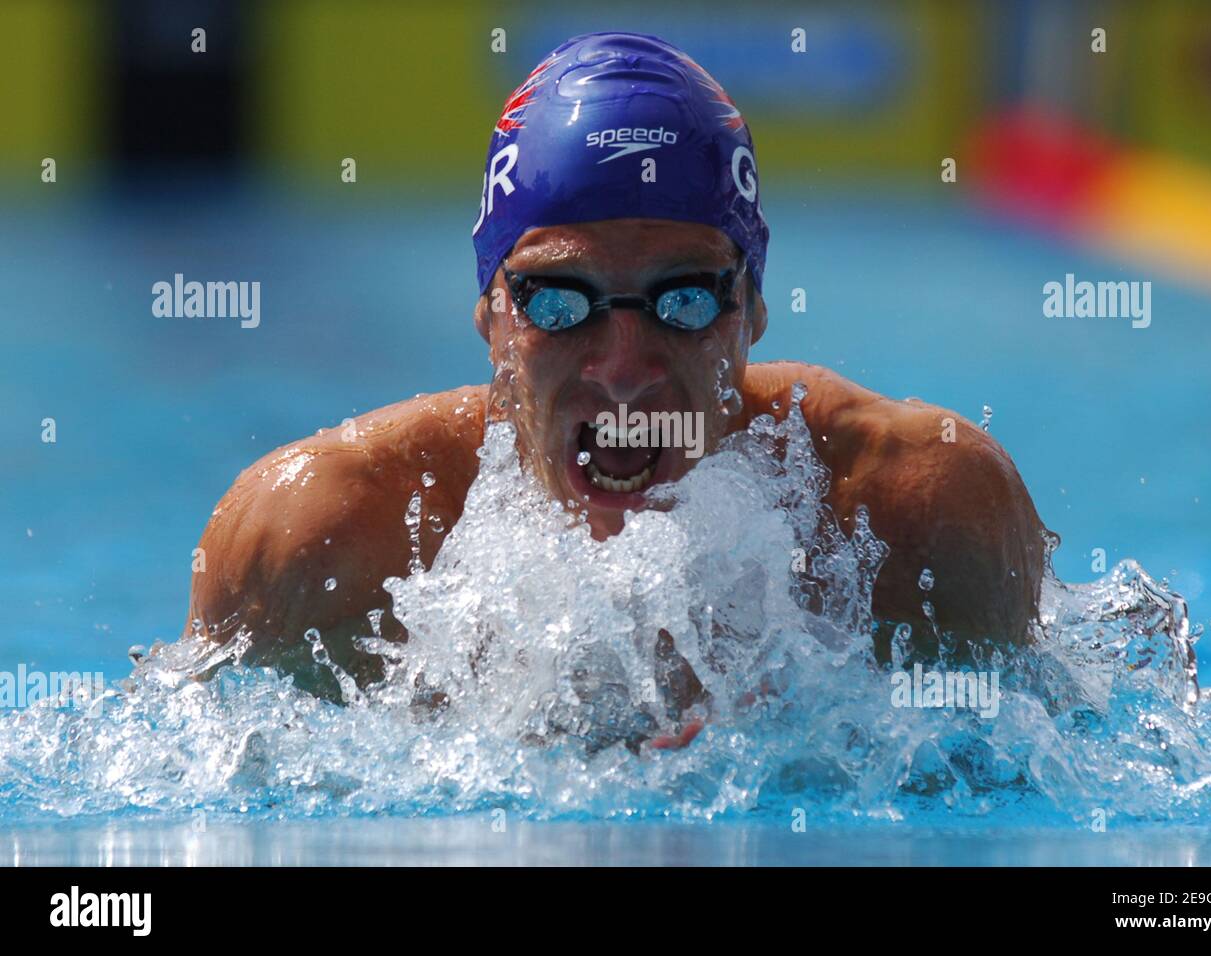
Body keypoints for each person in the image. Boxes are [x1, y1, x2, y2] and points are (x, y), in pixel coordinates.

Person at [187, 32, 1047, 740]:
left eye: (684, 299)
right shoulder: (321, 537)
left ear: (750, 310)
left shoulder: (919, 511)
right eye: (560, 304)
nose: (625, 367)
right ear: (491, 315)